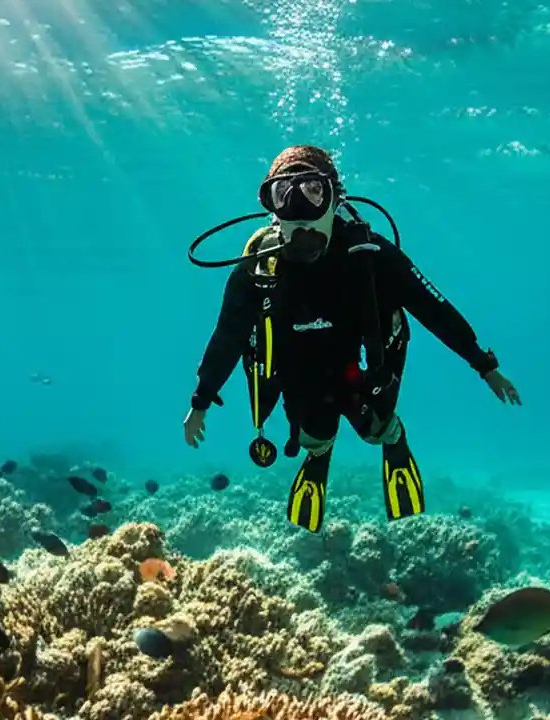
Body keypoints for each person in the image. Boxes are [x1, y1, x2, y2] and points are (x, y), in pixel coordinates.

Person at [183, 145, 521, 532]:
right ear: (270, 206)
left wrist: (484, 365)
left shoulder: (370, 254)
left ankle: (392, 436)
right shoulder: (259, 268)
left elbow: (434, 309)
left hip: (356, 366)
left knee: (374, 428)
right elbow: (229, 333)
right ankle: (318, 453)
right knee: (314, 432)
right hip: (298, 371)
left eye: (312, 192)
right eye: (282, 196)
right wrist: (201, 399)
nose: (298, 212)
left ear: (335, 197)